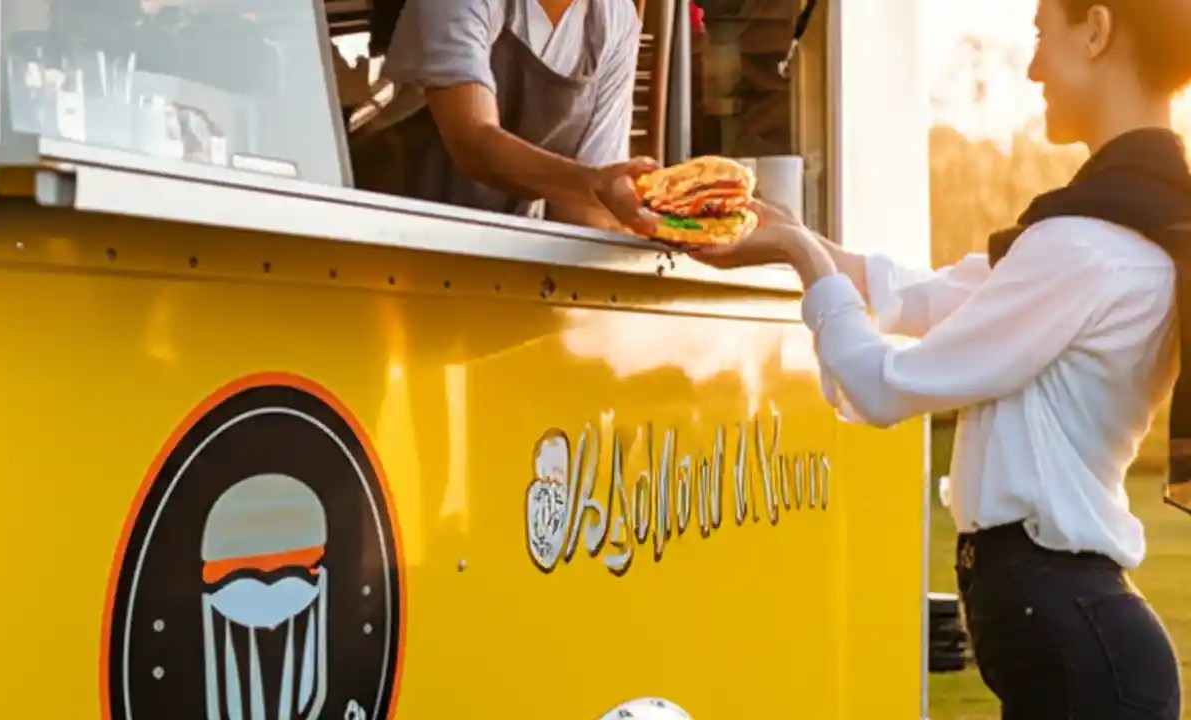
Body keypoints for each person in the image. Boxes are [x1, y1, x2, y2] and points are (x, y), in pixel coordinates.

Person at [691, 0, 1191, 717]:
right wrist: (786, 230)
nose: (1034, 67)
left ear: (1098, 29)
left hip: (1075, 636)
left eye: (1041, 37)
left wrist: (800, 255)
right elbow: (925, 296)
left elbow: (886, 386)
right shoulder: (1116, 227)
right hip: (1078, 633)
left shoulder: (1084, 247)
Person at [350, 0, 660, 236]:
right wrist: (595, 183)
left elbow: (583, 207)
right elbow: (472, 142)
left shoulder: (615, 19)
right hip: (385, 235)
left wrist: (661, 230)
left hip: (501, 250)